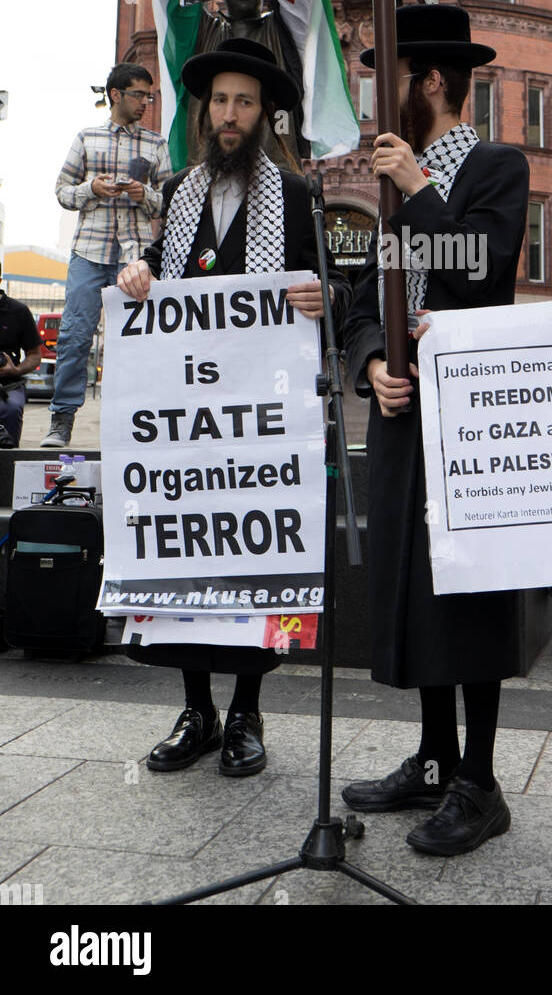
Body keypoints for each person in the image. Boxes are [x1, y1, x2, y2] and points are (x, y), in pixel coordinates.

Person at [116, 38, 349, 777]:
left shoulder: (299, 195)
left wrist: (328, 294)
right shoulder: (178, 190)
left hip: (265, 422)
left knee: (258, 556)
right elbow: (157, 275)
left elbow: (337, 285)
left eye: (244, 102)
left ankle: (246, 710)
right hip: (188, 420)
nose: (229, 114)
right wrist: (137, 277)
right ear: (205, 109)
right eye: (219, 100)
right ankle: (198, 711)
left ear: (263, 114)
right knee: (193, 549)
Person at [341, 3, 530, 855]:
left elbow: (481, 271)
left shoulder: (495, 165)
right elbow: (364, 300)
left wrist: (418, 190)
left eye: (392, 79)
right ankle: (432, 754)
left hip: (473, 417)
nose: (380, 96)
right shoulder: (386, 183)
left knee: (472, 588)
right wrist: (374, 361)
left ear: (431, 82)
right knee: (414, 589)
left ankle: (479, 780)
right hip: (402, 411)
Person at [43, 65, 171, 448]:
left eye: (150, 96)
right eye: (139, 95)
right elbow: (62, 191)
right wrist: (91, 188)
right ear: (115, 94)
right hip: (89, 250)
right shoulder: (87, 138)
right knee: (73, 334)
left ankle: (133, 422)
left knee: (136, 339)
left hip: (134, 253)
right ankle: (61, 420)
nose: (146, 103)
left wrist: (142, 195)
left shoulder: (156, 145)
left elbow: (170, 201)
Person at [0, 263, 42, 448]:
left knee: (11, 408)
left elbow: (34, 355)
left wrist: (15, 369)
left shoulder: (18, 311)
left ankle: (8, 466)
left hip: (9, 383)